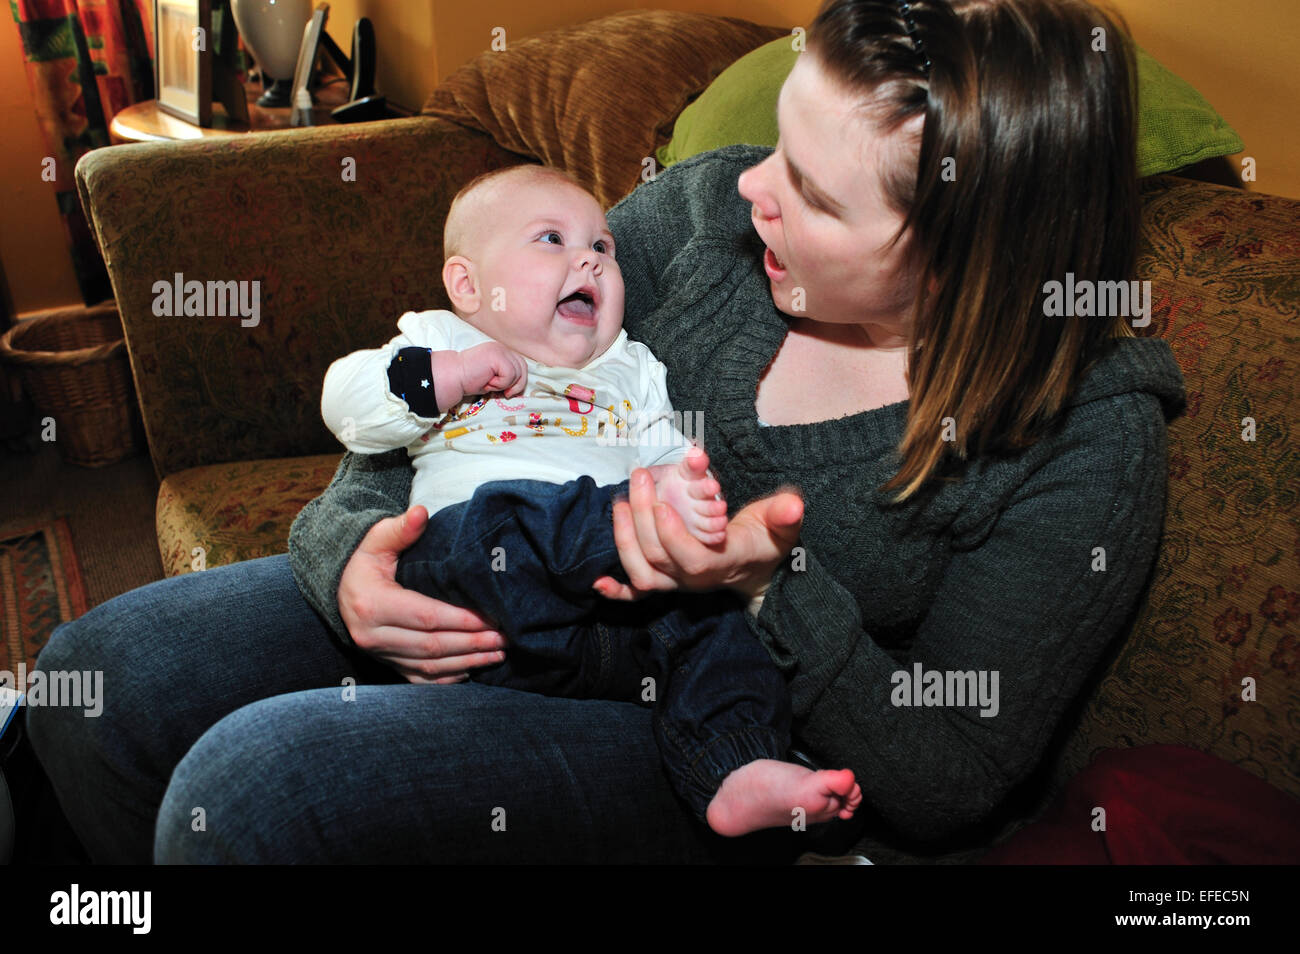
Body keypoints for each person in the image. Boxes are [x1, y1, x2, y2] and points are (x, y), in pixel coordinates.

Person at [28, 0, 1185, 864]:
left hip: (704, 723)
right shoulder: (699, 215)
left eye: (816, 196)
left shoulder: (1080, 438)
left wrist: (766, 587)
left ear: (972, 255)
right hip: (491, 578)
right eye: (778, 145)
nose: (750, 192)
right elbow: (472, 366)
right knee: (95, 677)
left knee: (254, 794)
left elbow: (953, 780)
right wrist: (351, 555)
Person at [318, 164, 862, 835]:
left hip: (600, 608)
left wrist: (685, 500)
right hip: (473, 566)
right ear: (467, 284)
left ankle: (736, 767)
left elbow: (665, 454)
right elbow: (347, 404)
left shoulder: (631, 367)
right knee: (531, 511)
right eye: (551, 239)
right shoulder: (443, 338)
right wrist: (444, 377)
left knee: (712, 620)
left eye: (603, 248)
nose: (591, 260)